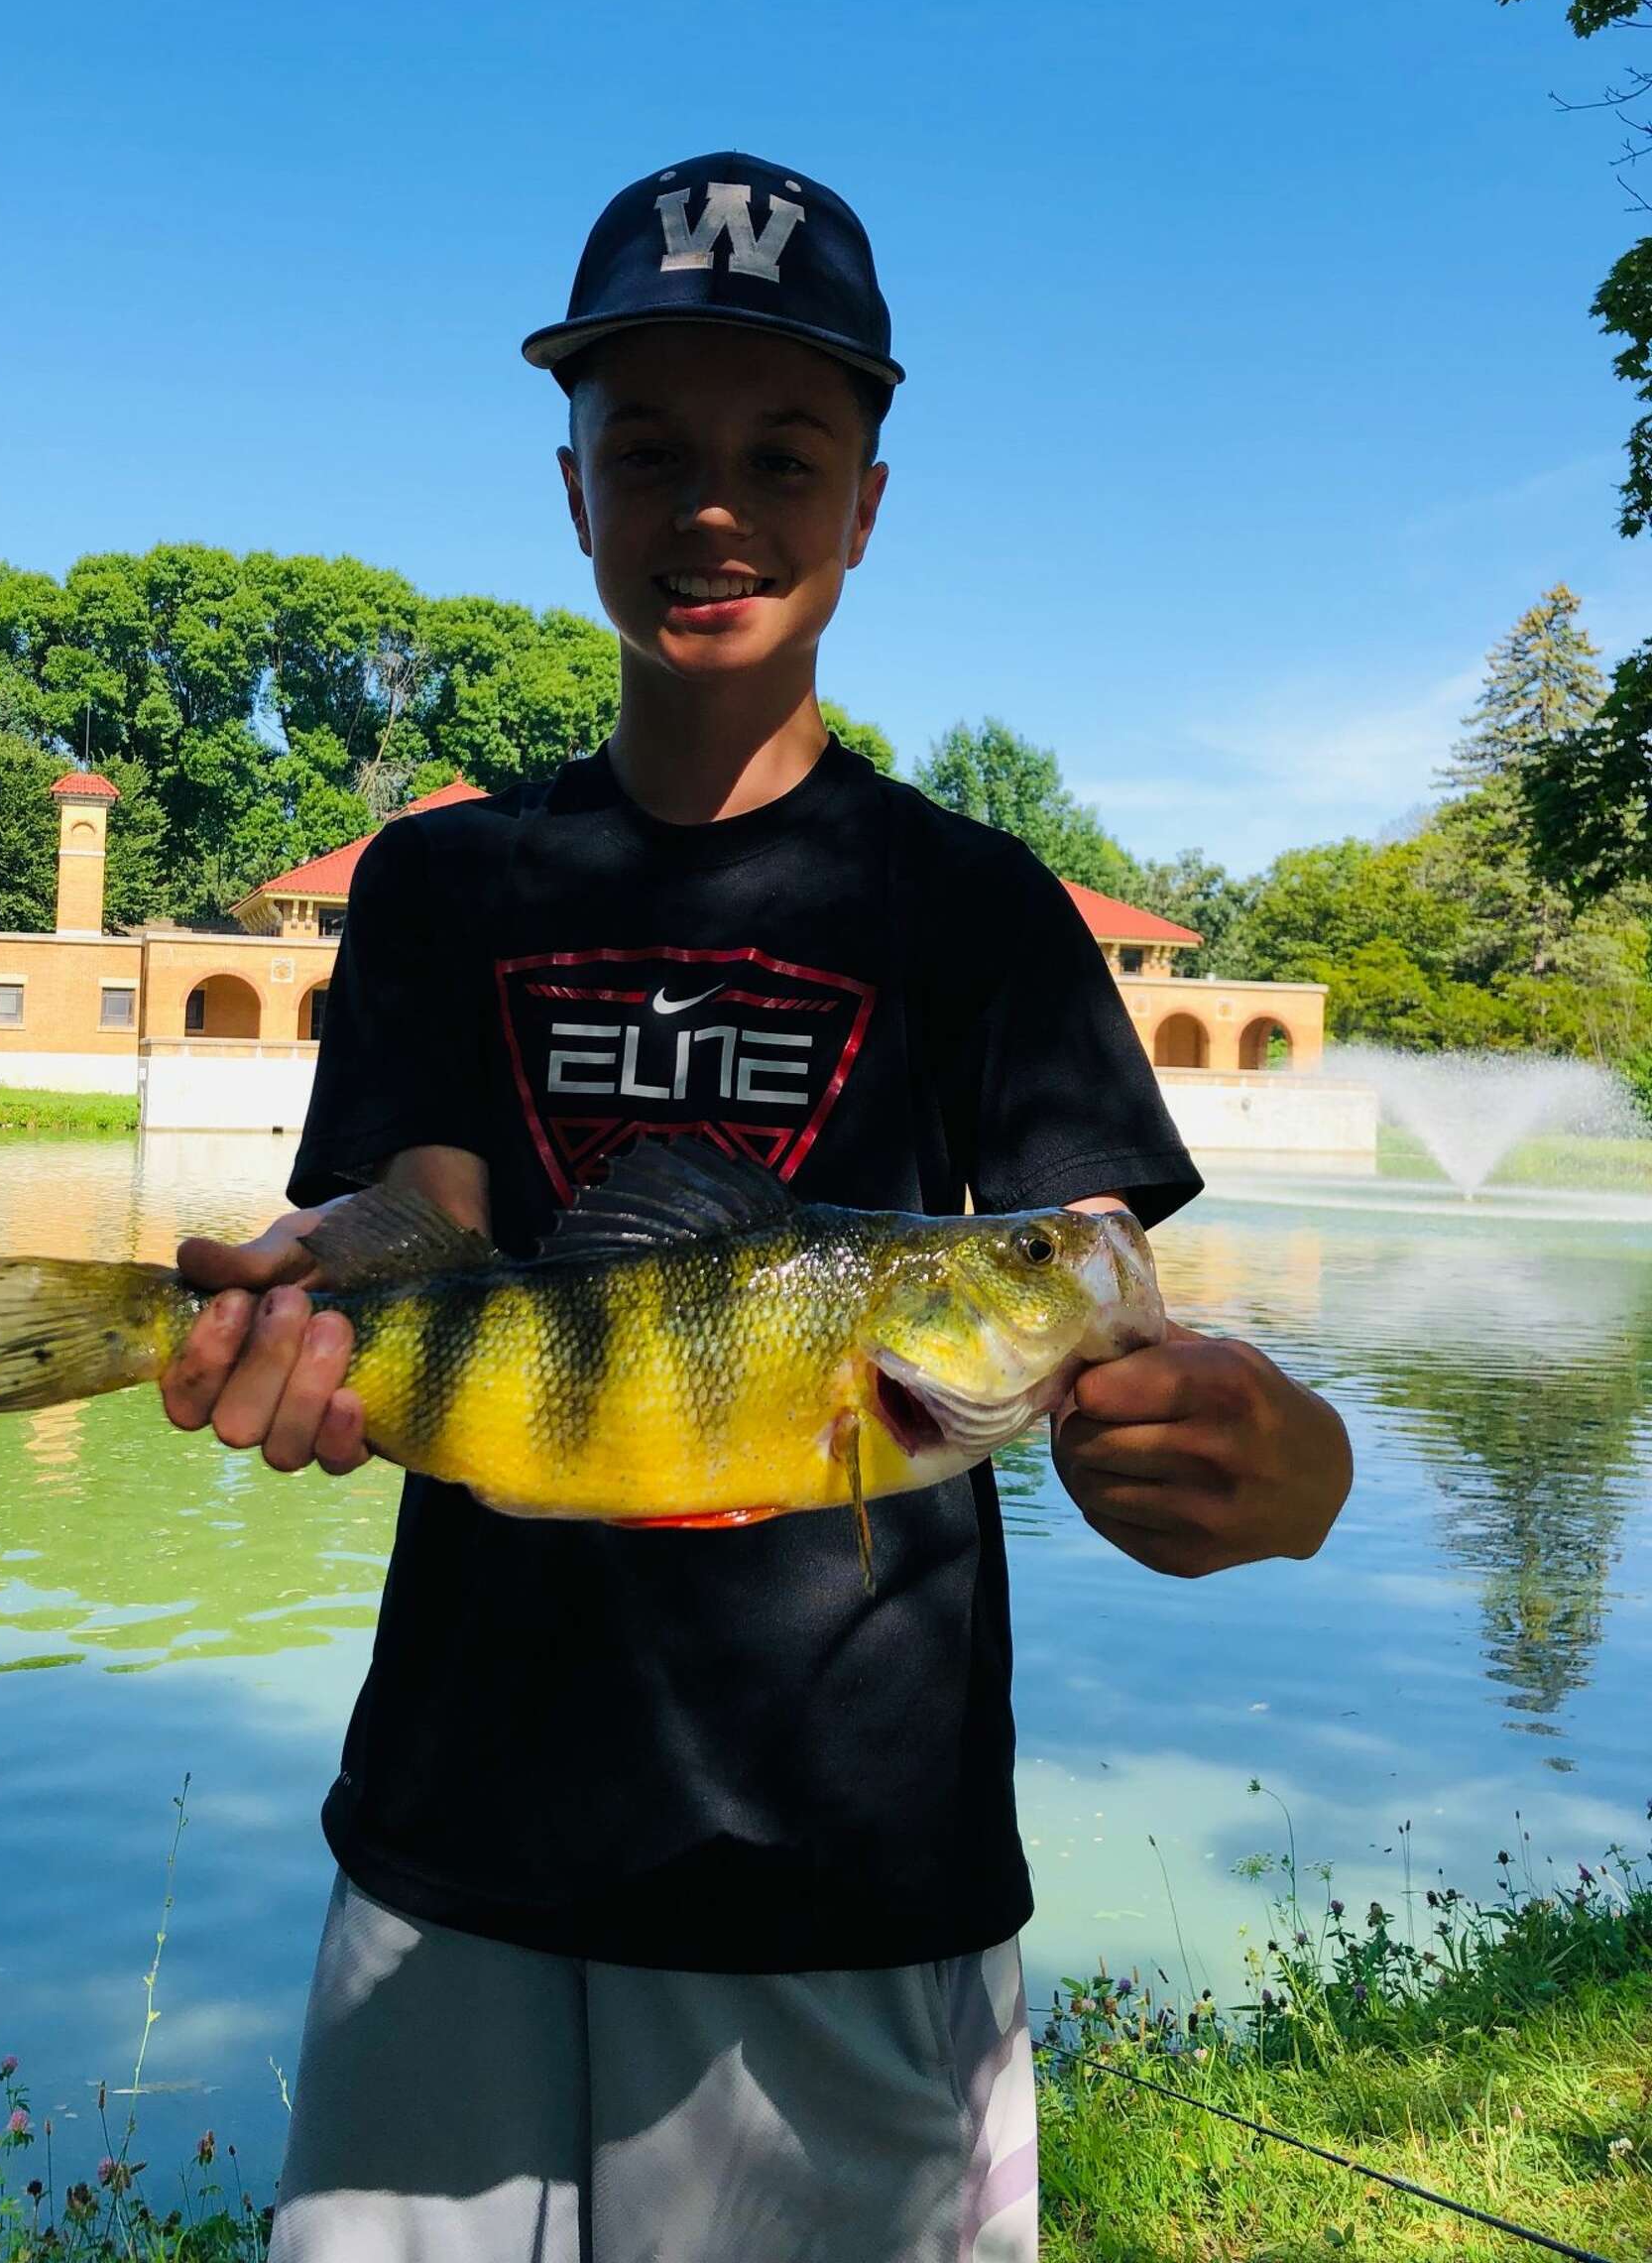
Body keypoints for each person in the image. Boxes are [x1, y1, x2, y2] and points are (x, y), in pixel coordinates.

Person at [161, 153, 1355, 2263]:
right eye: (653, 449)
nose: (715, 503)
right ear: (572, 489)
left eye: (783, 452)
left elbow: (1112, 1302)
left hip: (846, 1871)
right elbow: (408, 1215)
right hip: (456, 1840)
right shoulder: (447, 880)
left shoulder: (975, 905)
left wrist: (1295, 1465)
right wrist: (298, 1284)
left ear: (871, 497)